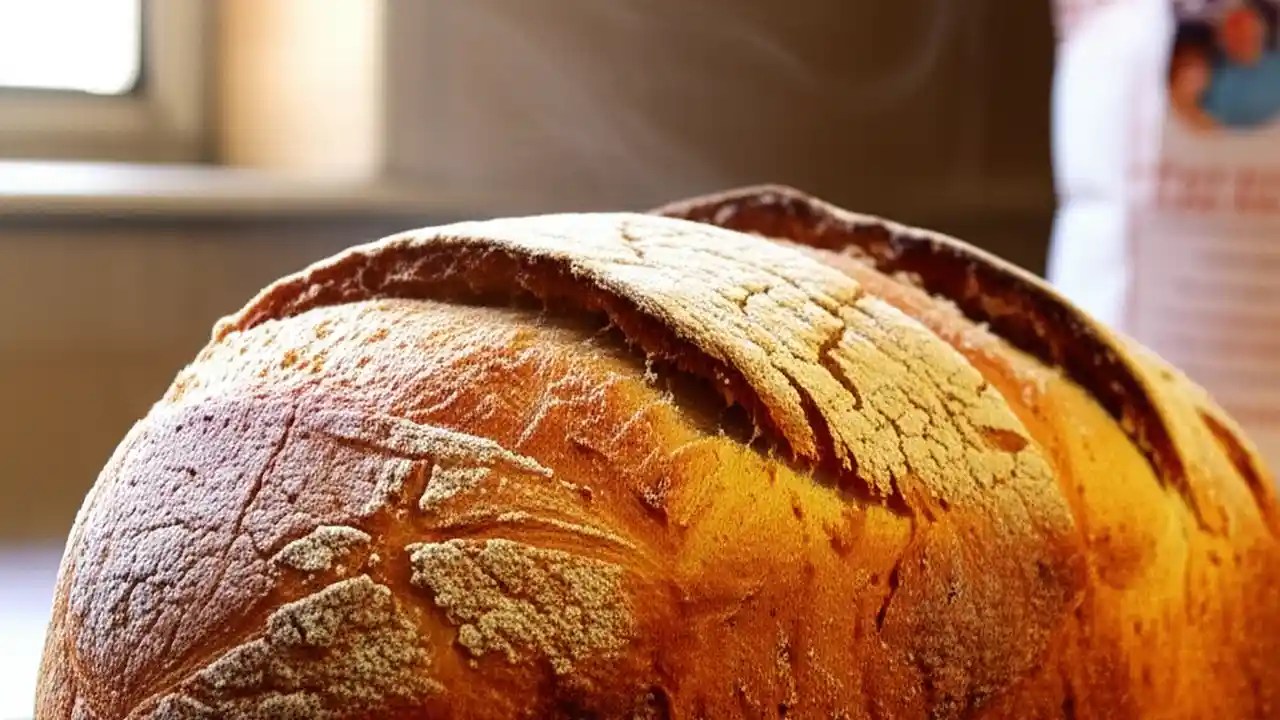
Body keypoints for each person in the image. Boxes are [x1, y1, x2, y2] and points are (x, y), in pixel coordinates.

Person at [1201, 4, 1280, 128]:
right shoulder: (1210, 81)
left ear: (1263, 32)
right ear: (1221, 41)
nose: (1245, 37)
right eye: (1236, 33)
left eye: (1250, 32)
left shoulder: (1276, 64)